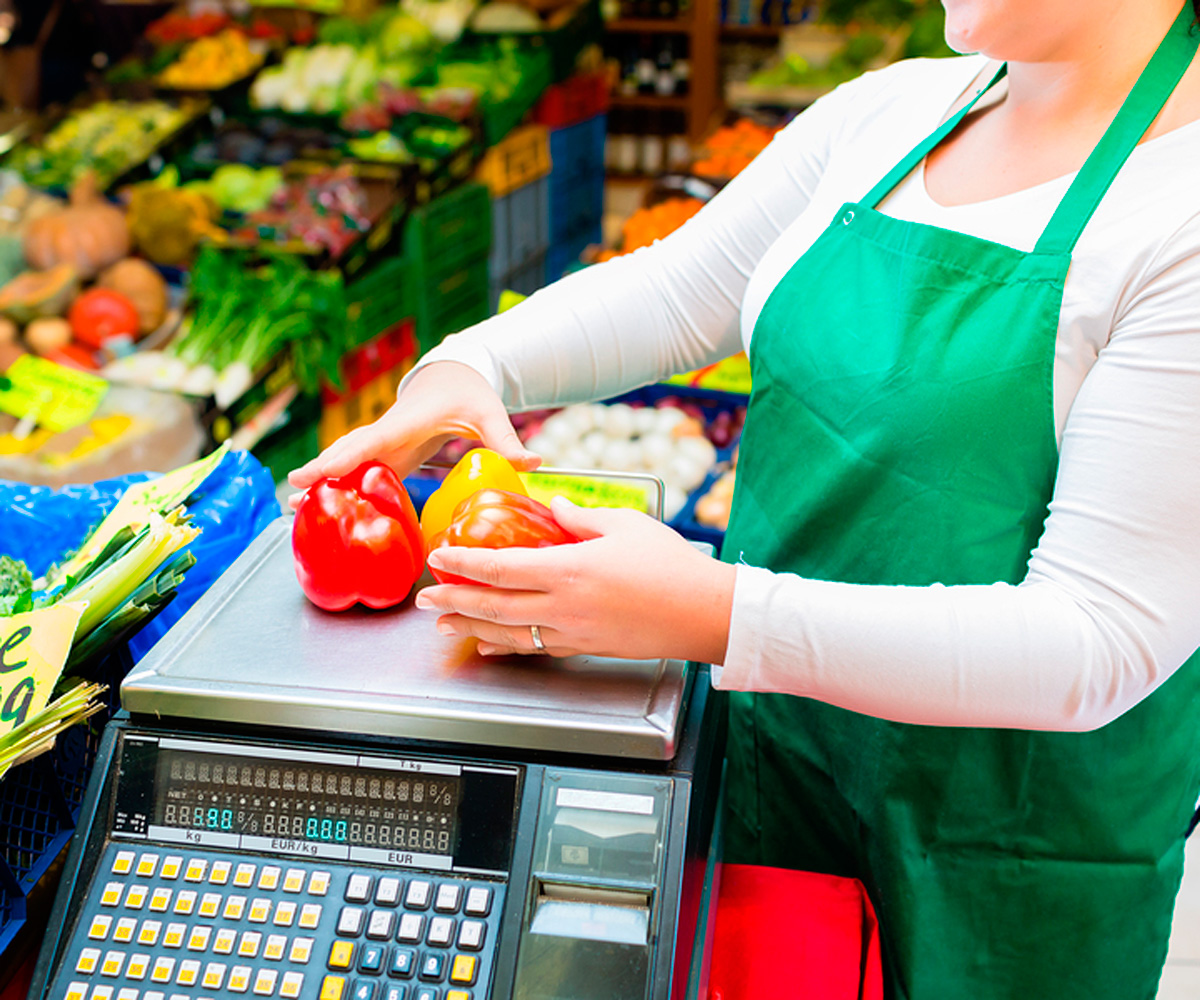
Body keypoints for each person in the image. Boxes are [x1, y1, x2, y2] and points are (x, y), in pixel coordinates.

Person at [291, 0, 1200, 995]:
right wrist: (472, 364)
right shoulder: (893, 115)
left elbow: (1098, 640)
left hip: (1000, 847)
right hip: (781, 762)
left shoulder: (1181, 214)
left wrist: (714, 611)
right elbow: (680, 294)